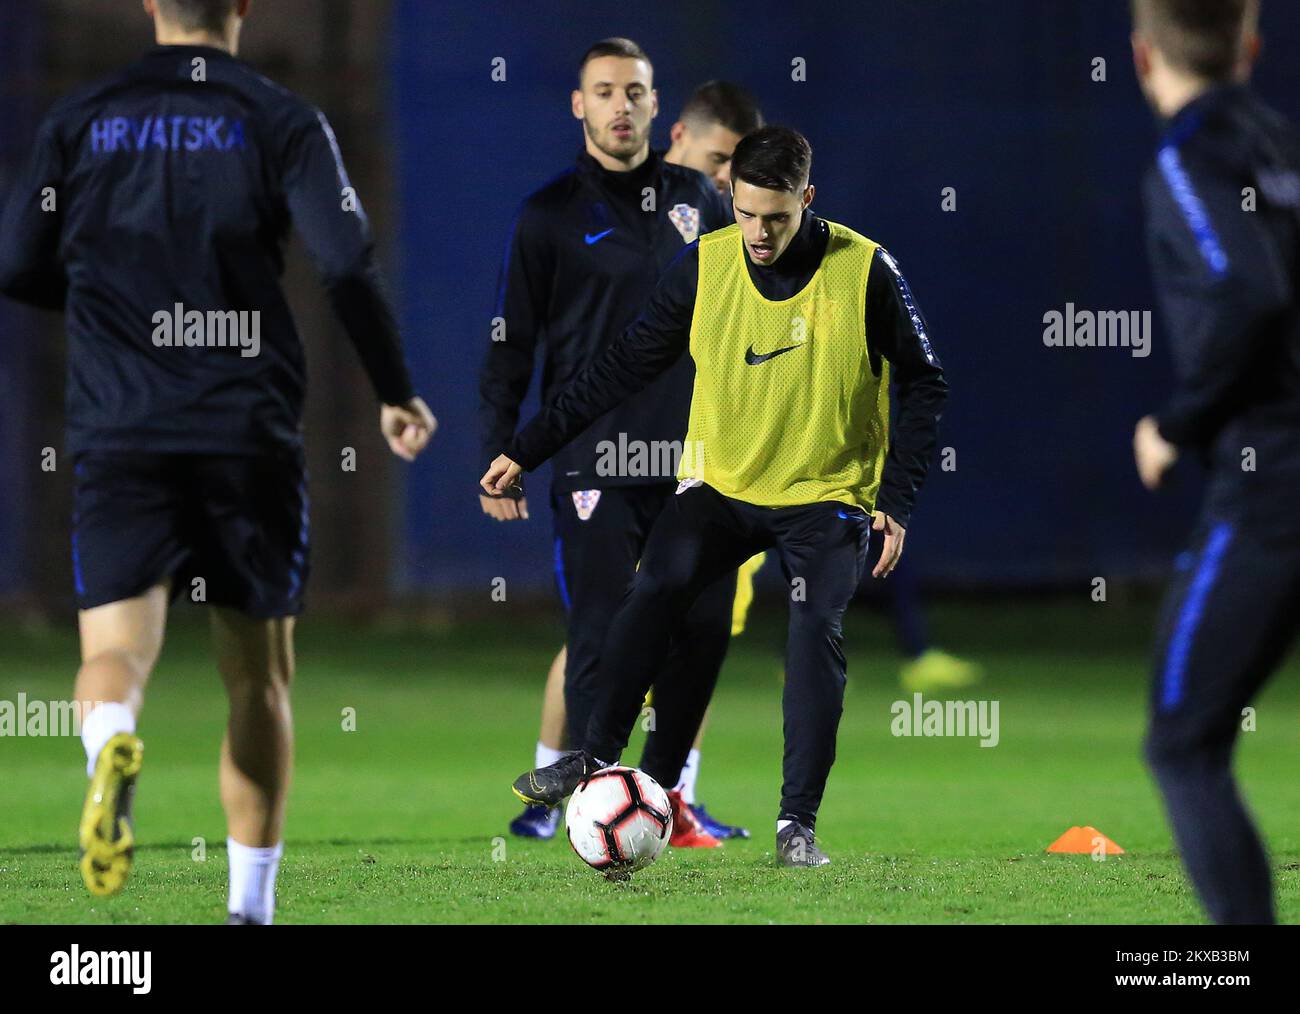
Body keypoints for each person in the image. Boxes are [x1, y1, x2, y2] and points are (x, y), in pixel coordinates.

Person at [0, 0, 434, 924]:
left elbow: (15, 259)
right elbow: (347, 264)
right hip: (247, 434)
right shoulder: (279, 118)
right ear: (242, 6)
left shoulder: (80, 117)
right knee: (259, 677)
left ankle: (111, 740)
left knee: (115, 651)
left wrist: (98, 295)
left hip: (120, 431)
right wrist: (395, 389)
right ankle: (248, 908)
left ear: (149, 4)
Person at [486, 126, 948, 866]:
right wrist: (525, 448)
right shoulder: (703, 266)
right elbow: (620, 367)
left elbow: (925, 381)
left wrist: (897, 496)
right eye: (746, 213)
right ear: (728, 195)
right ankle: (593, 758)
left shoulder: (865, 270)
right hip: (723, 488)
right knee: (657, 584)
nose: (759, 233)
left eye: (778, 217)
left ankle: (796, 825)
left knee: (812, 634)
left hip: (825, 495)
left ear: (808, 199)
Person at [479, 40, 738, 848]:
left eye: (635, 91)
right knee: (598, 633)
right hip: (594, 459)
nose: (620, 105)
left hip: (695, 463)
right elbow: (510, 345)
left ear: (657, 109)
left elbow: (744, 319)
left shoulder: (701, 197)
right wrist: (503, 452)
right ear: (578, 106)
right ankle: (575, 803)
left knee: (695, 632)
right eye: (604, 91)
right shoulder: (548, 215)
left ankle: (663, 800)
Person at [1130, 0, 1299, 925]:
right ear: (1252, 45)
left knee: (1183, 742)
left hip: (1275, 484)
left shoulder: (1188, 155)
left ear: (1142, 54)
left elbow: (1244, 291)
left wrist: (1176, 422)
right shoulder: (1283, 147)